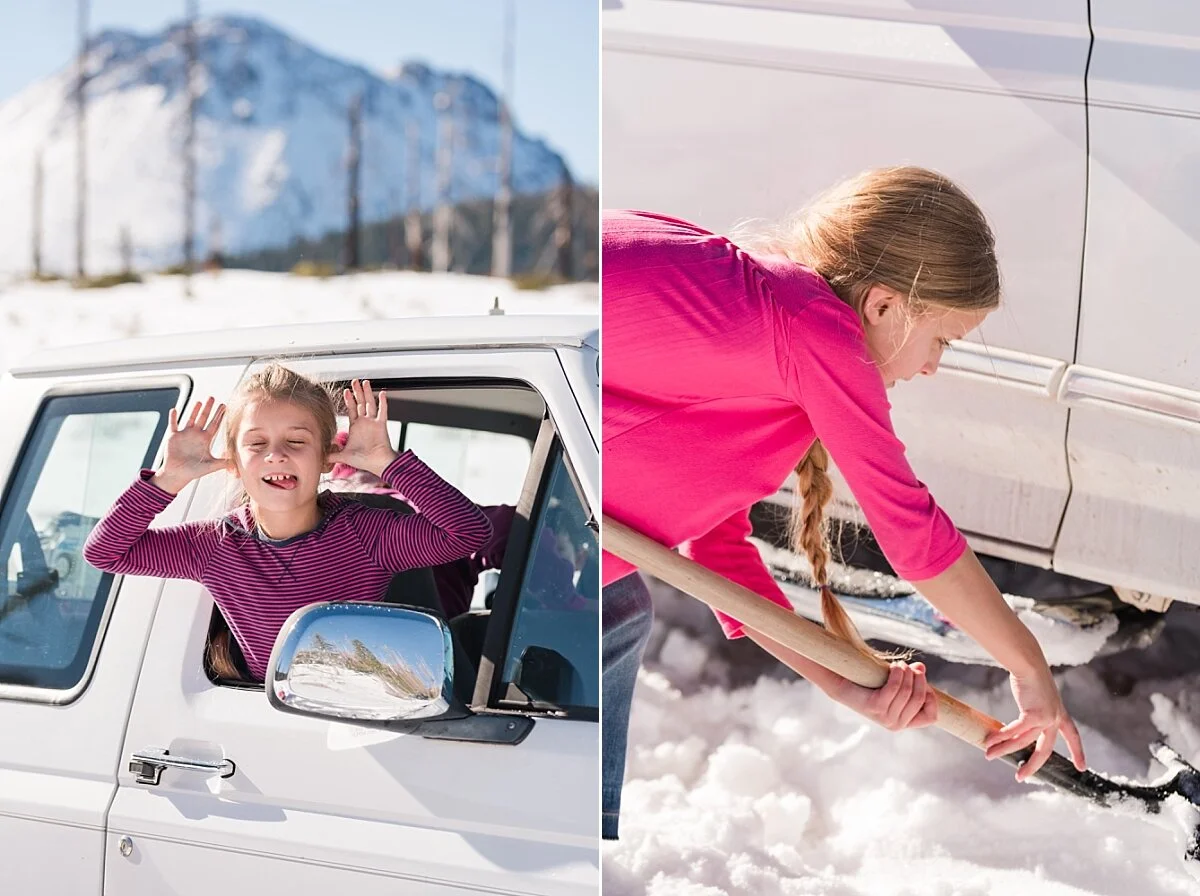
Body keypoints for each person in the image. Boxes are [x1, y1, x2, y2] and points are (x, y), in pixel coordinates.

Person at [601, 166, 1088, 840]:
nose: (931, 367)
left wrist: (841, 682)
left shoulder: (766, 320)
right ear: (885, 305)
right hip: (542, 554)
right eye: (940, 339)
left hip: (579, 568)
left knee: (620, 607)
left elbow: (716, 550)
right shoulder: (810, 330)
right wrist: (1027, 663)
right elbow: (912, 531)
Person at [83, 365, 491, 683]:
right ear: (235, 463)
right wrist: (168, 479)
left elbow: (469, 533)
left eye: (296, 442)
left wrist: (389, 463)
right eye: (256, 444)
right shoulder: (215, 546)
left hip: (360, 723)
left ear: (326, 457)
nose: (276, 455)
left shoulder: (366, 534)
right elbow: (104, 552)